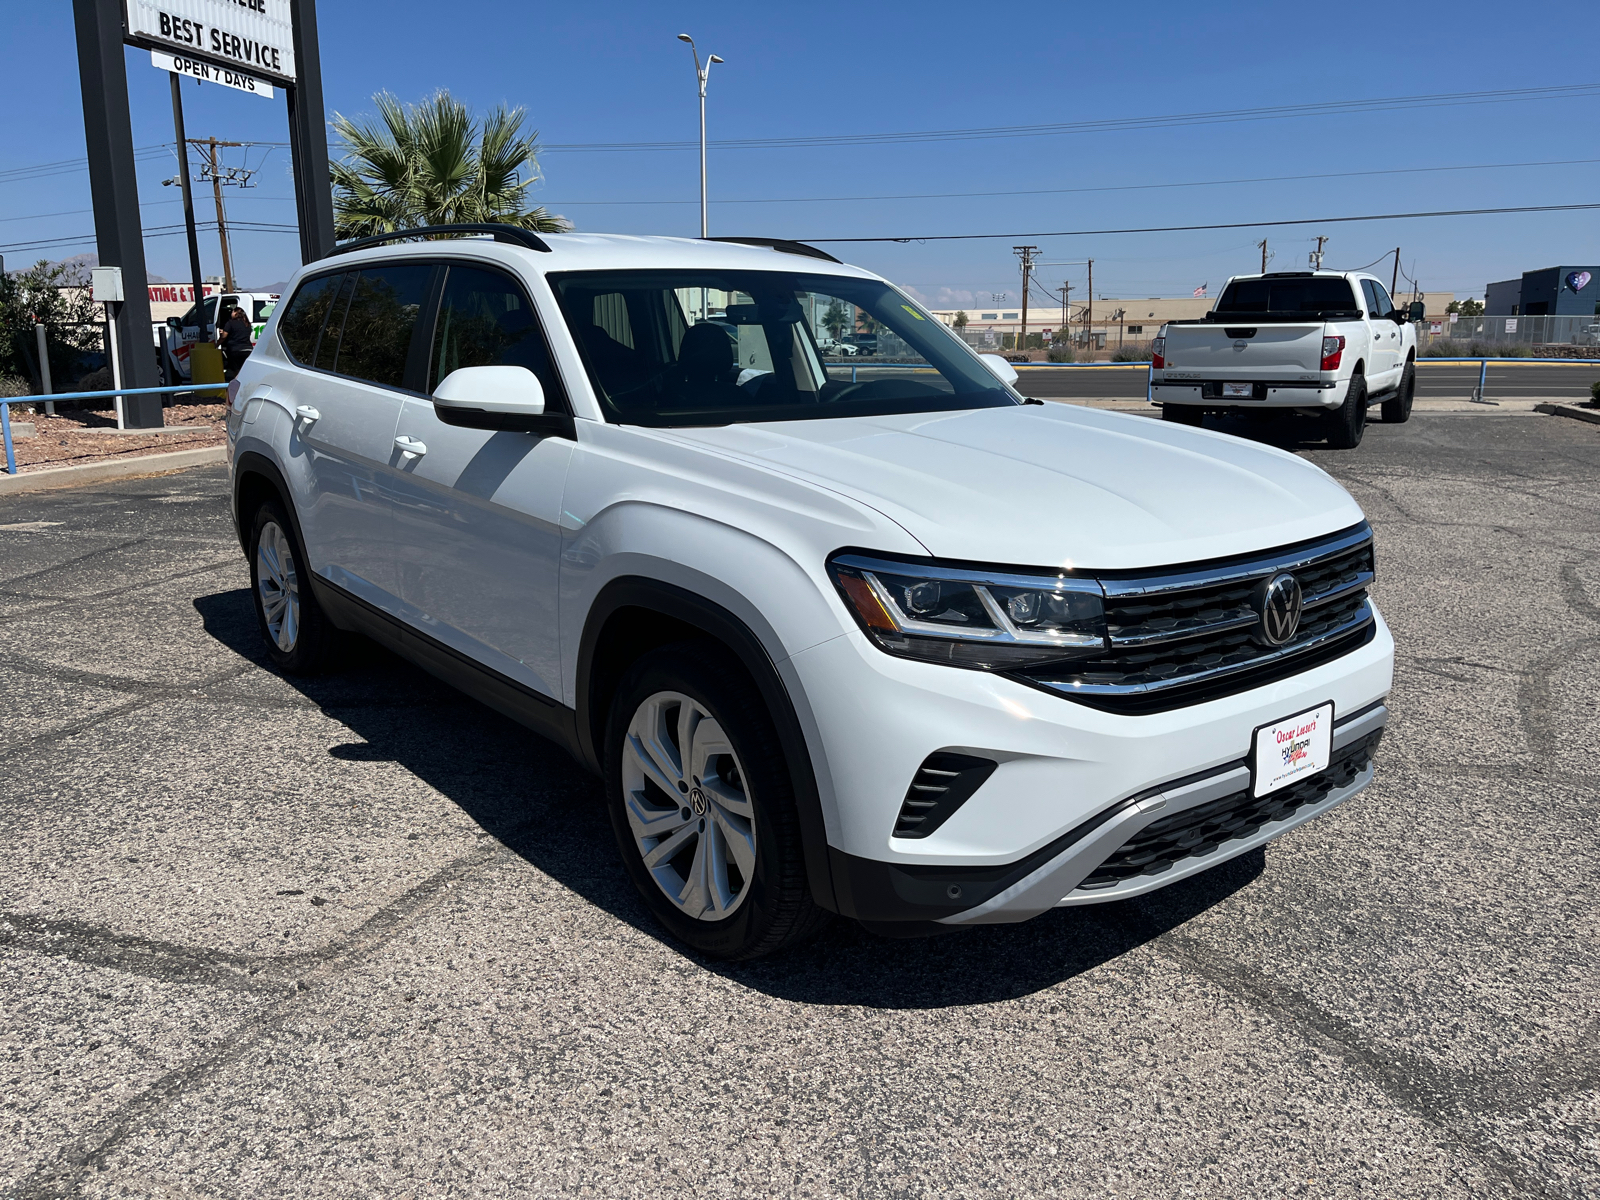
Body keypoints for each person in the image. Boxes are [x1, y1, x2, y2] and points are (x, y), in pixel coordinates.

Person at [218, 305, 254, 380]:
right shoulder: (247, 324)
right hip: (248, 349)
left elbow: (224, 337)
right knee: (245, 371)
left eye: (232, 311)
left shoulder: (230, 323)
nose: (231, 313)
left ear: (235, 313)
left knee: (236, 372)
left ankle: (237, 387)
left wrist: (217, 344)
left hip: (235, 350)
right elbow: (240, 333)